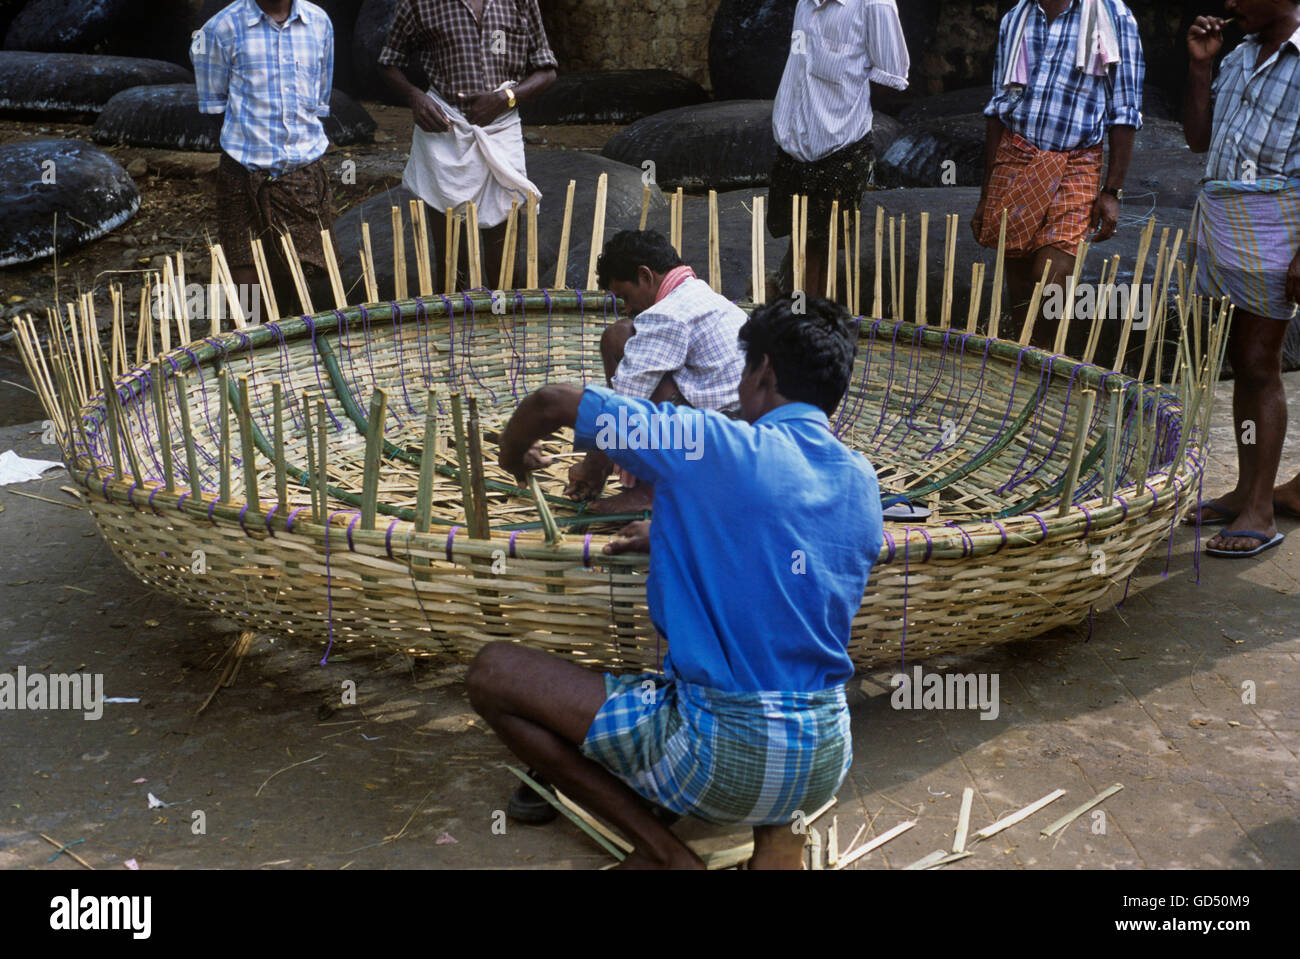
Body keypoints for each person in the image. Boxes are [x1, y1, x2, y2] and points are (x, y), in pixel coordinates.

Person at [469, 295, 884, 869]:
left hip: (721, 758)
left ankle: (664, 854)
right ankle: (778, 838)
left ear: (763, 372)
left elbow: (551, 402)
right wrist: (672, 529)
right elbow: (782, 540)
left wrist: (513, 459)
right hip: (825, 754)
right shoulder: (861, 479)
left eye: (744, 371)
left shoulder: (715, 444)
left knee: (493, 673)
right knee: (759, 683)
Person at [1183, 1, 1300, 558]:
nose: (1227, 5)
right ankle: (1246, 489)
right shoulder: (1239, 55)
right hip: (1227, 221)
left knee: (1259, 362)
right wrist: (1202, 69)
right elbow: (1200, 140)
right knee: (1243, 362)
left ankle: (1259, 508)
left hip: (1281, 224)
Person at [973, 0, 1144, 348]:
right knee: (1020, 280)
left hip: (1077, 161)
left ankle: (1053, 362)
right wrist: (986, 193)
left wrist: (1112, 191)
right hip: (1017, 154)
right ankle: (1026, 365)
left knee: (1052, 278)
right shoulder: (1016, 18)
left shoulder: (1114, 16)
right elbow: (998, 108)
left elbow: (1124, 110)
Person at [377, 0, 557, 291]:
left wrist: (505, 98)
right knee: (452, 264)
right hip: (445, 132)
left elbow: (547, 71)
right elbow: (388, 63)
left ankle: (504, 332)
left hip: (501, 130)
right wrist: (415, 97)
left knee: (504, 264)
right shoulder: (419, 3)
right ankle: (454, 331)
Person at [564, 230, 748, 515]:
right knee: (620, 335)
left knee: (635, 370)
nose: (627, 307)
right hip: (744, 437)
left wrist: (593, 465)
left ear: (645, 276)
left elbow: (624, 401)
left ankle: (650, 490)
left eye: (625, 295)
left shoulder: (667, 313)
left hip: (721, 447)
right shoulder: (699, 294)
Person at [193, 0, 338, 320]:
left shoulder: (319, 23)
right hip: (243, 175)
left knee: (310, 289)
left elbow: (319, 102)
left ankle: (302, 361)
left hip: (304, 175)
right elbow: (215, 107)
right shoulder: (220, 30)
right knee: (248, 293)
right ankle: (252, 359)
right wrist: (257, 151)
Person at [768, 0, 910, 304]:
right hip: (792, 145)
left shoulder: (876, 5)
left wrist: (841, 111)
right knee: (799, 241)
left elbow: (893, 79)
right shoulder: (805, 3)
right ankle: (799, 320)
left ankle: (807, 325)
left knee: (818, 245)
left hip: (839, 146)